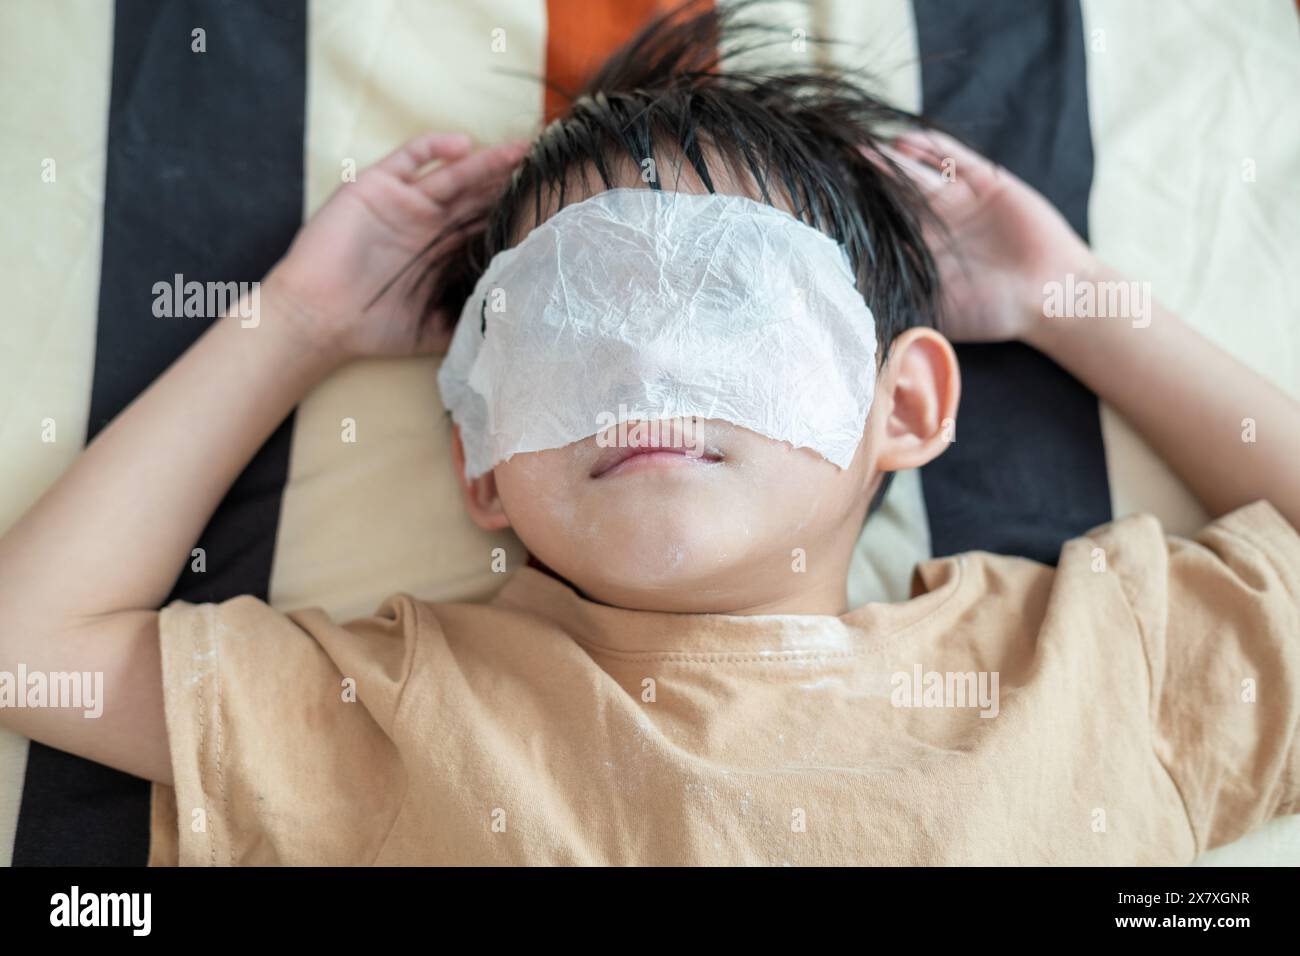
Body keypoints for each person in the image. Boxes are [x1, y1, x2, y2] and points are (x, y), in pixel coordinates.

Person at [0, 4, 1296, 865]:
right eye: (566, 315)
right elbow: (30, 651)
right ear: (482, 466)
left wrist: (1079, 307)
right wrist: (294, 322)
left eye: (729, 295)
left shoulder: (1089, 669)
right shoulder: (407, 710)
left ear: (900, 404)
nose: (641, 362)